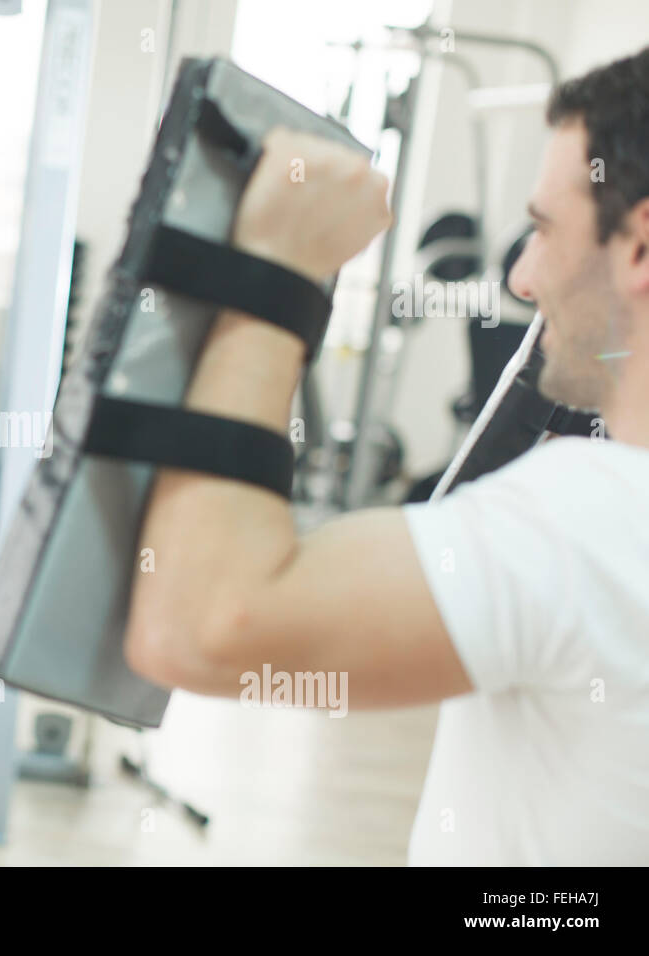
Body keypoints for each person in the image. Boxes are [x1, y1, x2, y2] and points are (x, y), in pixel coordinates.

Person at [123, 46, 649, 865]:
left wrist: (275, 269)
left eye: (544, 230)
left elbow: (198, 631)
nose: (521, 276)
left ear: (640, 248)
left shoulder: (591, 522)